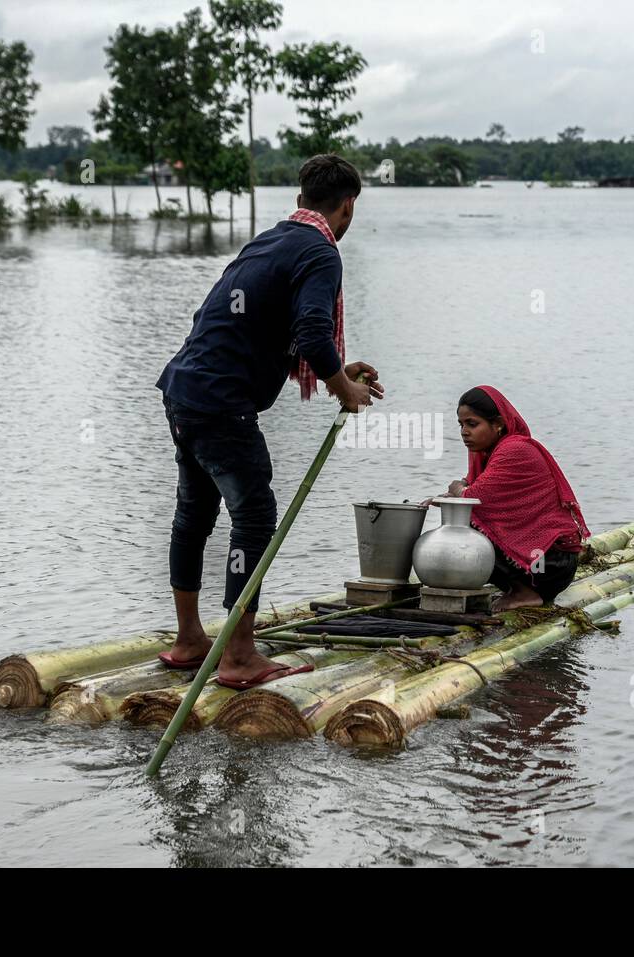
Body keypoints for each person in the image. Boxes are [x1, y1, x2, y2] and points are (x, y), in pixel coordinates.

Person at [154, 154, 384, 689]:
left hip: (184, 391)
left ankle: (190, 641)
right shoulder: (321, 252)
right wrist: (340, 386)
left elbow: (257, 325)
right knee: (255, 518)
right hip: (221, 404)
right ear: (347, 206)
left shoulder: (271, 239)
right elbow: (309, 329)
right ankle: (238, 656)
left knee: (194, 513)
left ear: (302, 199)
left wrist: (336, 370)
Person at [426, 385, 590, 611]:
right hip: (543, 563)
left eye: (472, 424)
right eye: (461, 425)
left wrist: (457, 489)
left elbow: (474, 497)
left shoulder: (514, 450)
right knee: (463, 517)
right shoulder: (490, 454)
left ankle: (524, 592)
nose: (464, 431)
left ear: (498, 424)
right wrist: (445, 497)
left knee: (465, 525)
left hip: (549, 564)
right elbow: (475, 491)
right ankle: (520, 589)